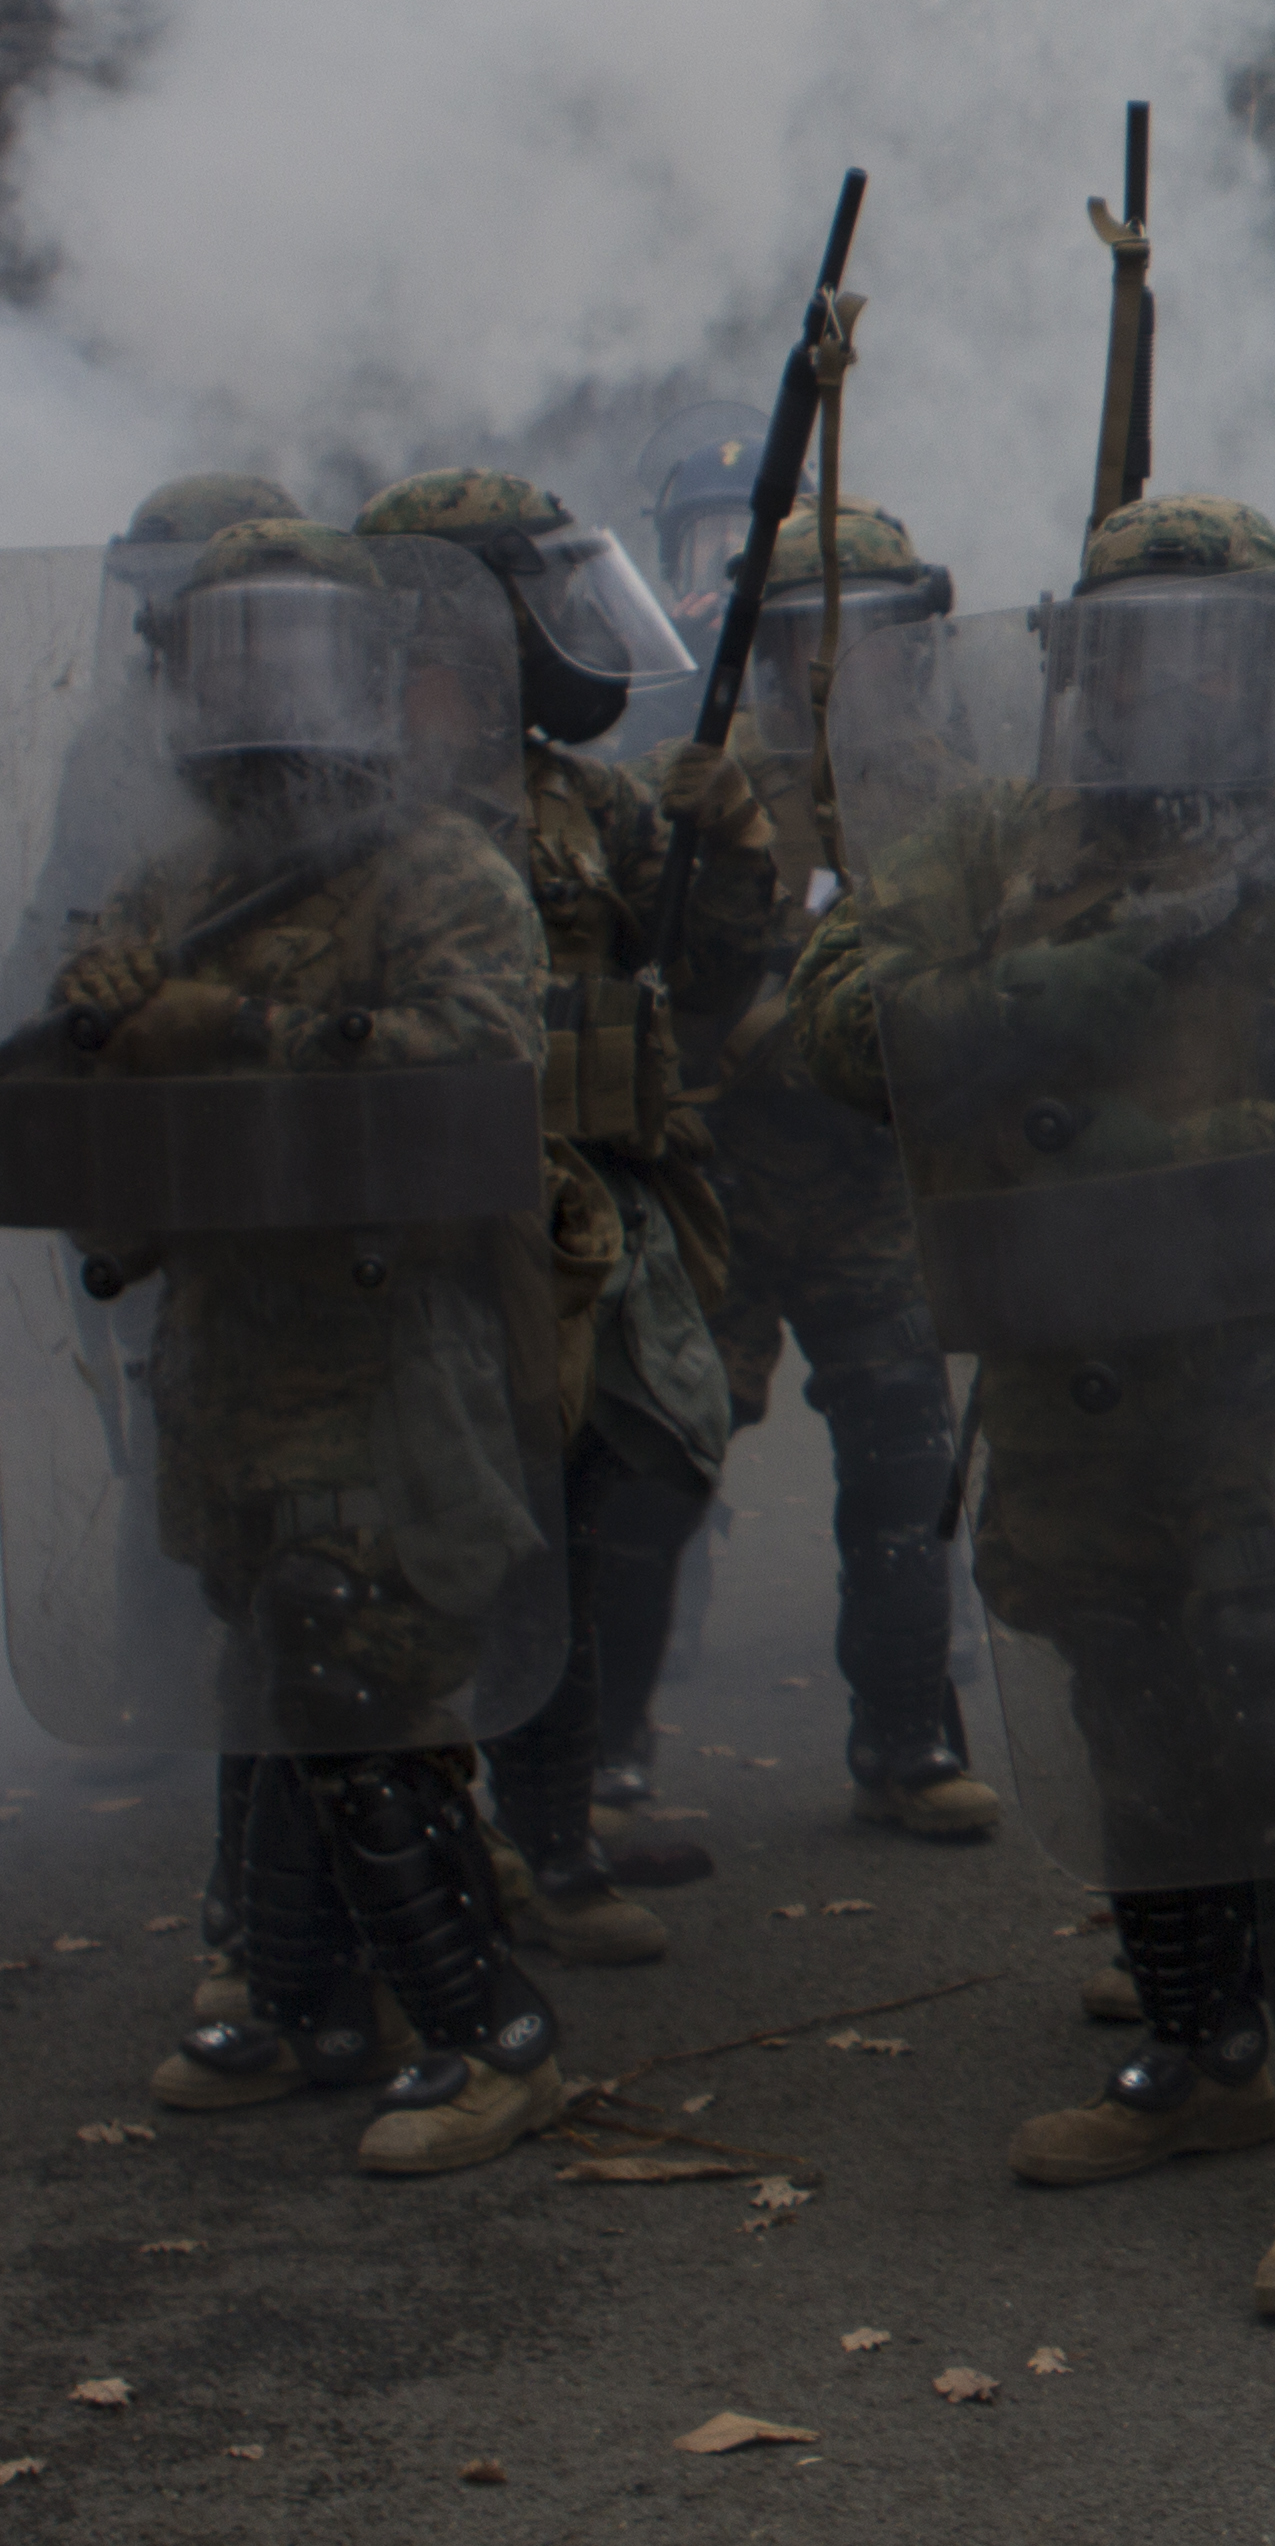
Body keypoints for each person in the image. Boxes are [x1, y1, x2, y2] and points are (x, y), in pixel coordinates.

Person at [793, 492, 1275, 2315]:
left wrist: (1139, 1143)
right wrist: (1067, 979)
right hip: (1078, 1366)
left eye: (1205, 660)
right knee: (1129, 1699)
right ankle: (1203, 2055)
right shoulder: (995, 847)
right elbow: (841, 1027)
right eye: (1125, 661)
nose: (1161, 700)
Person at [40, 521, 579, 2170]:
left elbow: (477, 1077)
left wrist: (254, 1032)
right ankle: (302, 2002)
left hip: (388, 1352)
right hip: (229, 1365)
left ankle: (490, 2033)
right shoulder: (171, 889)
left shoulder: (442, 876)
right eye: (227, 661)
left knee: (357, 1670)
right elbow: (102, 1189)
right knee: (272, 1679)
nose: (260, 706)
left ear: (361, 680)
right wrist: (106, 1050)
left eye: (293, 658)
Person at [354, 470, 776, 1955]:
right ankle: (391, 1863)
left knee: (609, 1500)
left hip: (590, 1216)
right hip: (419, 1226)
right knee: (436, 1542)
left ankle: (550, 1837)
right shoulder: (352, 817)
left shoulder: (584, 800)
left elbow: (716, 982)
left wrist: (733, 849)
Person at [689, 496, 998, 1840]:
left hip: (874, 1182)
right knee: (650, 1464)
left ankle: (909, 1734)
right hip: (726, 1181)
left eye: (868, 637)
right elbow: (647, 967)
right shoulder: (710, 785)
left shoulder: (954, 794)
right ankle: (592, 1764)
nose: (838, 671)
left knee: (901, 1455)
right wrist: (745, 1024)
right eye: (814, 640)